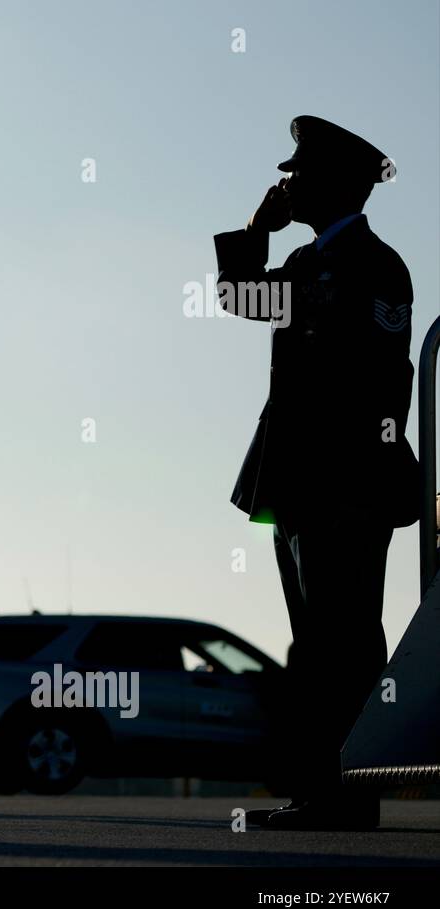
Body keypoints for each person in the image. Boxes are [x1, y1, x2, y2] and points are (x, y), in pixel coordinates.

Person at [214, 116, 417, 831]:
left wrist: (364, 491)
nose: (287, 184)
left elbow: (386, 388)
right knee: (318, 641)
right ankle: (324, 793)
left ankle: (348, 795)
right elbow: (238, 295)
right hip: (298, 487)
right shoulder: (306, 266)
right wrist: (257, 226)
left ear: (333, 183)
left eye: (298, 175)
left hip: (348, 491)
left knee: (349, 641)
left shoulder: (375, 266)